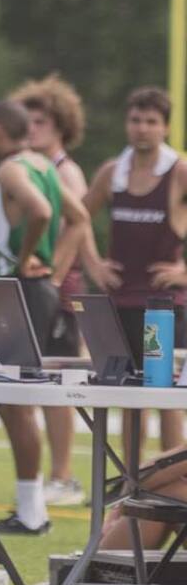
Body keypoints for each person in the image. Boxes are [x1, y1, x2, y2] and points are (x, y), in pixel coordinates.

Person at [0, 99, 94, 535]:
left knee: (13, 401)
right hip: (37, 289)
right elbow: (80, 217)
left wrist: (26, 257)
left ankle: (31, 510)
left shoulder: (10, 168)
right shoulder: (44, 164)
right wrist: (56, 270)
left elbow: (43, 212)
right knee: (14, 399)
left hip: (19, 289)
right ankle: (30, 506)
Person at [84, 87, 187, 465]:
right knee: (129, 399)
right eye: (135, 120)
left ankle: (175, 486)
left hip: (162, 308)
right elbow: (78, 219)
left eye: (151, 122)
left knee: (166, 399)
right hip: (119, 303)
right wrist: (93, 264)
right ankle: (133, 482)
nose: (142, 129)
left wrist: (184, 272)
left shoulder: (178, 173)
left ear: (166, 128)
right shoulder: (114, 171)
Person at [11, 75, 90, 506]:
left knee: (59, 383)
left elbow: (77, 228)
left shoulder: (65, 170)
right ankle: (42, 477)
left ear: (60, 125)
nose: (33, 128)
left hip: (58, 290)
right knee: (28, 381)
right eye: (29, 121)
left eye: (40, 121)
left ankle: (63, 475)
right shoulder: (30, 168)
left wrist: (55, 279)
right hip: (32, 286)